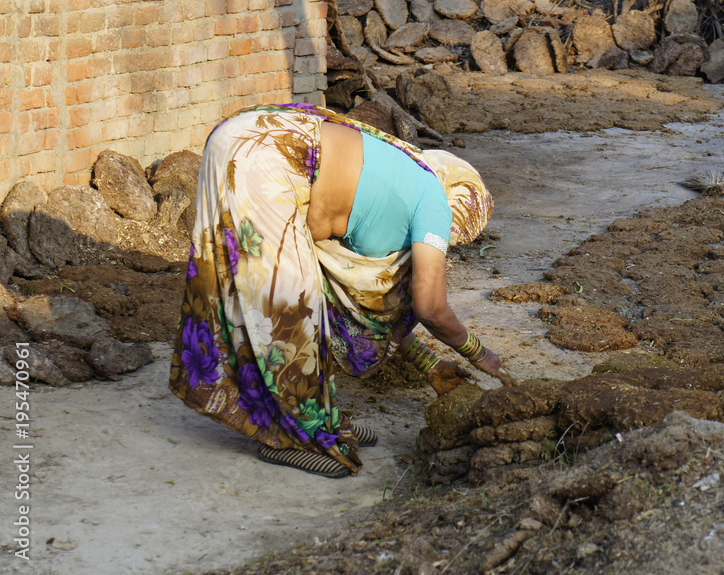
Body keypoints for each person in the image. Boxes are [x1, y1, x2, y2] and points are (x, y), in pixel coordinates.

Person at [168, 103, 515, 478]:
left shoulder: (404, 175)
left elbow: (344, 303)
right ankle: (292, 439)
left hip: (249, 136)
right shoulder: (435, 205)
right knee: (289, 311)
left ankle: (320, 420)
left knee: (300, 296)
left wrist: (428, 365)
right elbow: (430, 307)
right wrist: (478, 353)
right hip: (266, 162)